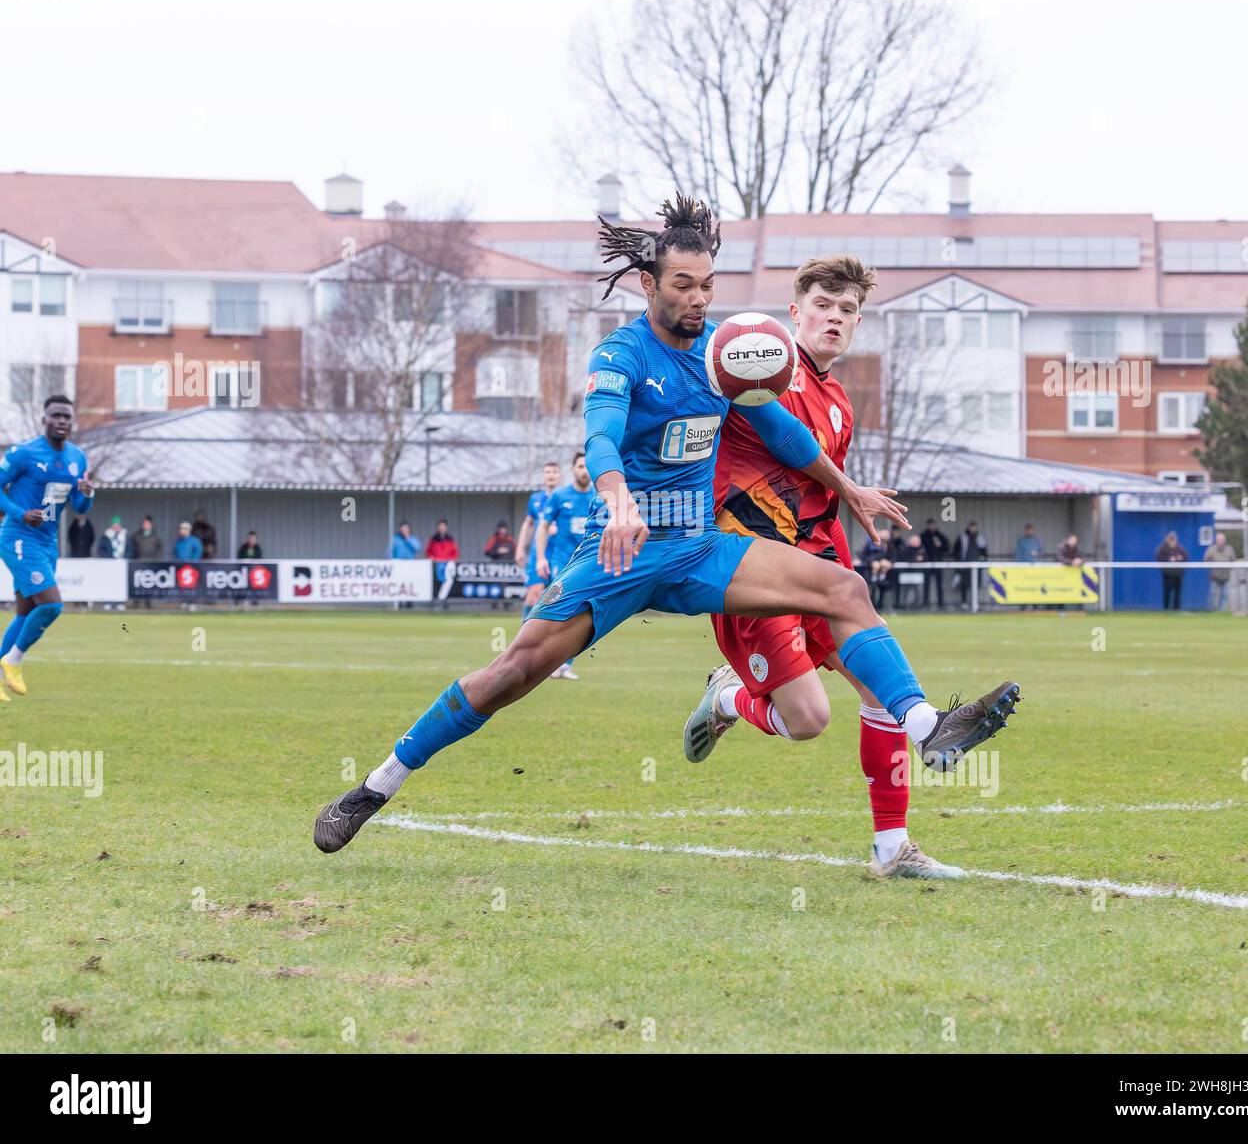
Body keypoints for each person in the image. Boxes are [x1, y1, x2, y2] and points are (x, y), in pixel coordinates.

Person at [315, 193, 1019, 856]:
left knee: (845, 589)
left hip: (699, 548)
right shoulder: (620, 355)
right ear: (649, 285)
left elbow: (781, 431)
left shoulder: (722, 353)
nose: (698, 298)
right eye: (683, 284)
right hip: (622, 552)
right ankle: (376, 785)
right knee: (513, 673)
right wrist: (618, 497)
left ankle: (927, 726)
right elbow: (600, 436)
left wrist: (848, 487)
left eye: (707, 285)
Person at [693, 255, 973, 877]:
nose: (835, 318)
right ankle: (729, 697)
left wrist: (850, 581)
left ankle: (893, 847)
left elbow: (817, 505)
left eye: (848, 310)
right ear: (795, 313)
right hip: (752, 569)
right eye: (823, 306)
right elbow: (782, 443)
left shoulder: (840, 401)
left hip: (818, 566)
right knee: (808, 720)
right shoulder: (757, 366)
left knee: (880, 689)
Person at [0, 394, 95, 702]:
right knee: (52, 605)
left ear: (72, 421)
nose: (61, 421)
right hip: (18, 536)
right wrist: (19, 514)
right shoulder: (24, 453)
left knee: (26, 611)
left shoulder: (78, 458)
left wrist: (88, 494)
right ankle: (13, 661)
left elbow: (80, 506)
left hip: (47, 541)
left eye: (67, 416)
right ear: (44, 419)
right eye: (56, 415)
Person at [536, 452, 598, 681]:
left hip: (588, 564)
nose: (584, 470)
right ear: (572, 469)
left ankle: (565, 665)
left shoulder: (598, 496)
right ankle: (545, 660)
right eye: (580, 466)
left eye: (587, 466)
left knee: (584, 615)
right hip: (562, 563)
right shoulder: (559, 496)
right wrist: (541, 558)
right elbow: (543, 526)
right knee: (558, 612)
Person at [516, 461, 562, 615]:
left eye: (554, 472)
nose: (551, 475)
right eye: (547, 472)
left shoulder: (565, 497)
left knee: (558, 599)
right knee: (533, 595)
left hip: (560, 554)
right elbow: (528, 524)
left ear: (560, 476)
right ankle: (526, 629)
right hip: (538, 554)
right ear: (543, 476)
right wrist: (520, 548)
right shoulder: (536, 499)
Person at [952, 520, 988, 608]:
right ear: (968, 527)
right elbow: (956, 551)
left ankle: (975, 603)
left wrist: (983, 559)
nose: (973, 529)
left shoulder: (980, 537)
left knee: (976, 585)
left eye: (974, 527)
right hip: (965, 565)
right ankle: (964, 602)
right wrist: (959, 561)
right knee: (964, 584)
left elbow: (984, 551)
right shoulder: (962, 537)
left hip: (977, 565)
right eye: (971, 527)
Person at [426, 519, 459, 607]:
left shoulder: (450, 539)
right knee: (436, 582)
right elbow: (428, 551)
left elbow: (455, 552)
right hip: (436, 564)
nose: (442, 528)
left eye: (443, 526)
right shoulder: (433, 539)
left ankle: (443, 599)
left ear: (446, 528)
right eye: (440, 526)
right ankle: (436, 599)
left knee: (448, 581)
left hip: (447, 563)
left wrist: (450, 560)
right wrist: (432, 558)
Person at [1203, 532, 1236, 612]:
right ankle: (1213, 611)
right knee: (1213, 594)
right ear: (1216, 540)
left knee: (1225, 595)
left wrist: (1229, 568)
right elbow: (1205, 559)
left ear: (1225, 540)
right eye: (1219, 540)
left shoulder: (1229, 549)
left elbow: (1233, 560)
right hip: (1214, 577)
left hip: (1226, 577)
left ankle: (1223, 611)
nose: (1221, 541)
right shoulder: (1211, 549)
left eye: (1222, 539)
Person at [1155, 530, 1188, 610]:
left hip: (1178, 574)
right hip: (1167, 574)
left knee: (1177, 593)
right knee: (1167, 592)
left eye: (1173, 538)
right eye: (1170, 538)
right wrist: (1168, 559)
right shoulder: (1163, 548)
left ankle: (1176, 609)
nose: (1172, 540)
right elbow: (1158, 557)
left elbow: (1185, 557)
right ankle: (1166, 609)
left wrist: (1180, 558)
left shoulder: (1180, 548)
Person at [920, 518, 949, 608]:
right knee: (926, 584)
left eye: (933, 525)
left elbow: (946, 548)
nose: (931, 527)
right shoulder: (923, 536)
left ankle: (941, 602)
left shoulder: (940, 536)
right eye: (930, 525)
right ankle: (925, 602)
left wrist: (940, 545)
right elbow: (919, 547)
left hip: (938, 562)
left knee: (939, 584)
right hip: (927, 562)